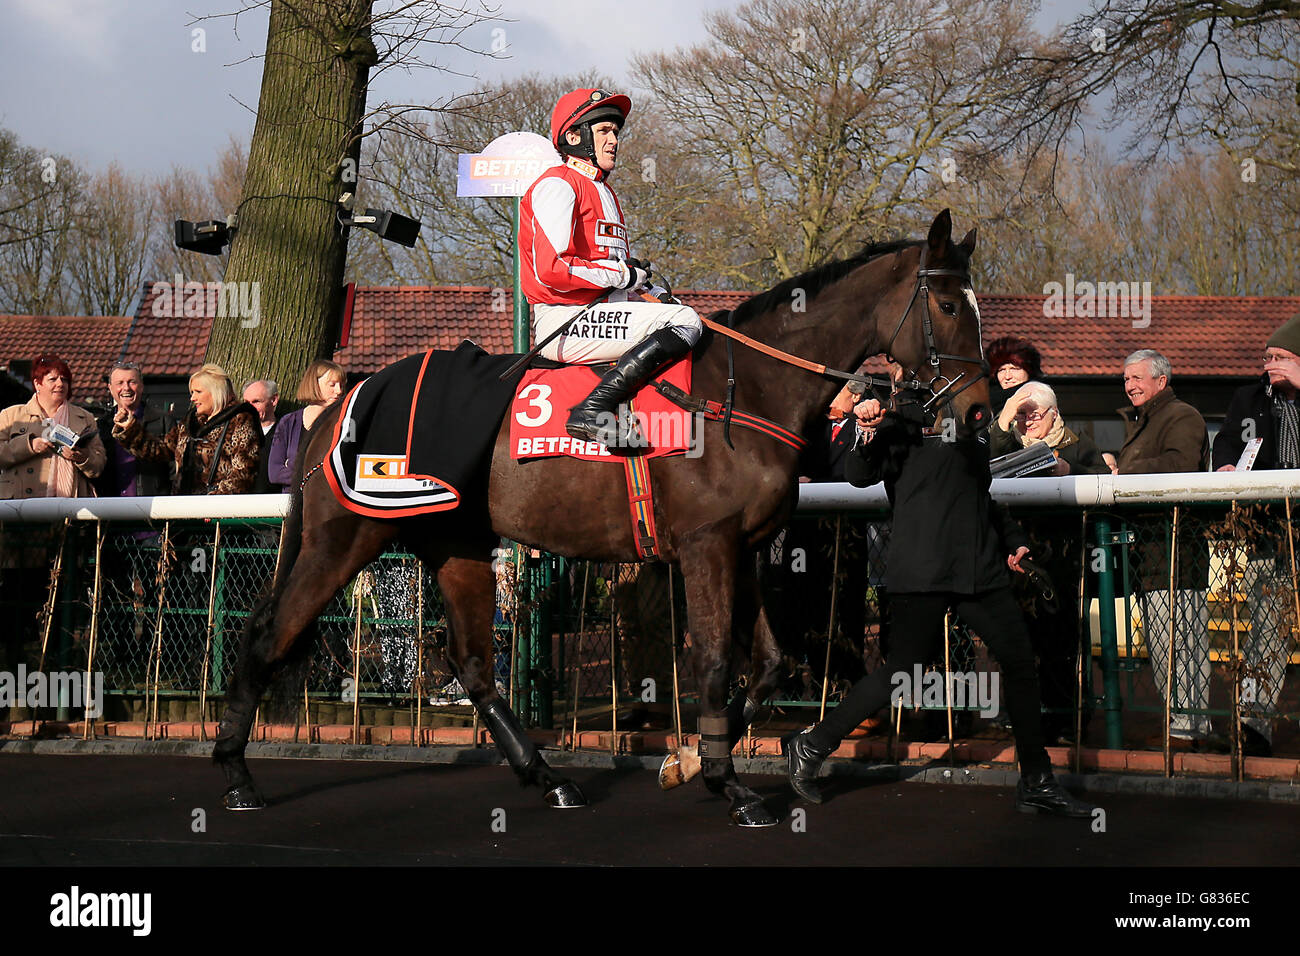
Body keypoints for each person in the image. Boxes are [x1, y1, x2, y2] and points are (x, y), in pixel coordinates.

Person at [785, 392, 1095, 816]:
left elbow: (979, 496)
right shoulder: (894, 426)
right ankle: (813, 743)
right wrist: (866, 431)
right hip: (923, 569)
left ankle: (1037, 781)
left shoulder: (972, 423)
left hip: (979, 569)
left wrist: (1015, 541)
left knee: (1021, 663)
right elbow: (858, 476)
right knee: (901, 671)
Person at [519, 87, 703, 453]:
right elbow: (552, 269)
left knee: (679, 314)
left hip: (597, 314)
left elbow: (607, 275)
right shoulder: (558, 183)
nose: (614, 140)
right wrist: (623, 275)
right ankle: (593, 408)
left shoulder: (604, 191)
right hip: (564, 322)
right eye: (604, 131)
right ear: (575, 137)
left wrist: (645, 290)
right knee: (686, 321)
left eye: (616, 132)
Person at [992, 381, 1110, 743]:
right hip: (1014, 559)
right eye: (1021, 416)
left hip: (1062, 559)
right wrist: (1005, 416)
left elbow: (1103, 482)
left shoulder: (1078, 444)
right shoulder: (1008, 444)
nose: (1027, 422)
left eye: (1034, 415)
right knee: (1016, 642)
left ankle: (1065, 720)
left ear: (1054, 415)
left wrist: (1068, 473)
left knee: (1061, 643)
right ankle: (1020, 717)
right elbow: (983, 464)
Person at [1207, 313, 1300, 757]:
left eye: (1281, 357)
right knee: (1268, 624)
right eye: (1267, 357)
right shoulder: (1248, 397)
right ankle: (1253, 724)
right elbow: (1225, 440)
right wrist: (1224, 465)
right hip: (1270, 527)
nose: (1271, 364)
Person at [1115, 349, 1214, 752]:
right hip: (1152, 549)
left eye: (1137, 378)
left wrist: (1123, 472)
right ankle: (1182, 725)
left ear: (1161, 380)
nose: (1130, 385)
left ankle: (1191, 731)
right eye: (1125, 380)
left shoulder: (1182, 416)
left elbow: (1182, 463)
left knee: (1182, 641)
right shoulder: (1145, 420)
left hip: (1176, 547)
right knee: (1163, 642)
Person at [112, 363, 261, 495]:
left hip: (218, 515)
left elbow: (243, 473)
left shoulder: (240, 420)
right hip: (184, 510)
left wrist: (214, 501)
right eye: (192, 393)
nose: (192, 398)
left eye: (198, 392)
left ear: (215, 391)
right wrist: (130, 429)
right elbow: (160, 450)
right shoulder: (189, 423)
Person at [0, 354, 106, 499]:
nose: (60, 384)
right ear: (37, 384)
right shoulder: (11, 416)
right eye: (53, 379)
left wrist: (82, 458)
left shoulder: (85, 418)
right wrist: (29, 446)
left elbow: (99, 465)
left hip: (70, 510)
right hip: (20, 507)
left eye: (64, 379)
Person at [95, 362, 172, 497]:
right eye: (120, 383)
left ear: (141, 386)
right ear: (110, 388)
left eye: (132, 382)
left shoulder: (163, 421)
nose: (126, 388)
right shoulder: (101, 426)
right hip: (111, 509)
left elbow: (173, 468)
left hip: (153, 507)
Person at [267, 360, 345, 491]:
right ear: (314, 384)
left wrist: (293, 469)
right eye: (332, 385)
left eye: (342, 385)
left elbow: (346, 466)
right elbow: (274, 473)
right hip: (292, 502)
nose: (339, 391)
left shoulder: (349, 422)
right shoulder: (288, 422)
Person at [986, 336, 1044, 417]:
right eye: (1001, 370)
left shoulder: (1042, 402)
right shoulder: (984, 405)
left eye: (1014, 369)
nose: (1007, 376)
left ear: (1029, 371)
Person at [242, 379, 280, 493]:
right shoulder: (237, 434)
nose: (250, 407)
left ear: (273, 400)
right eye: (246, 403)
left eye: (256, 401)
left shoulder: (286, 433)